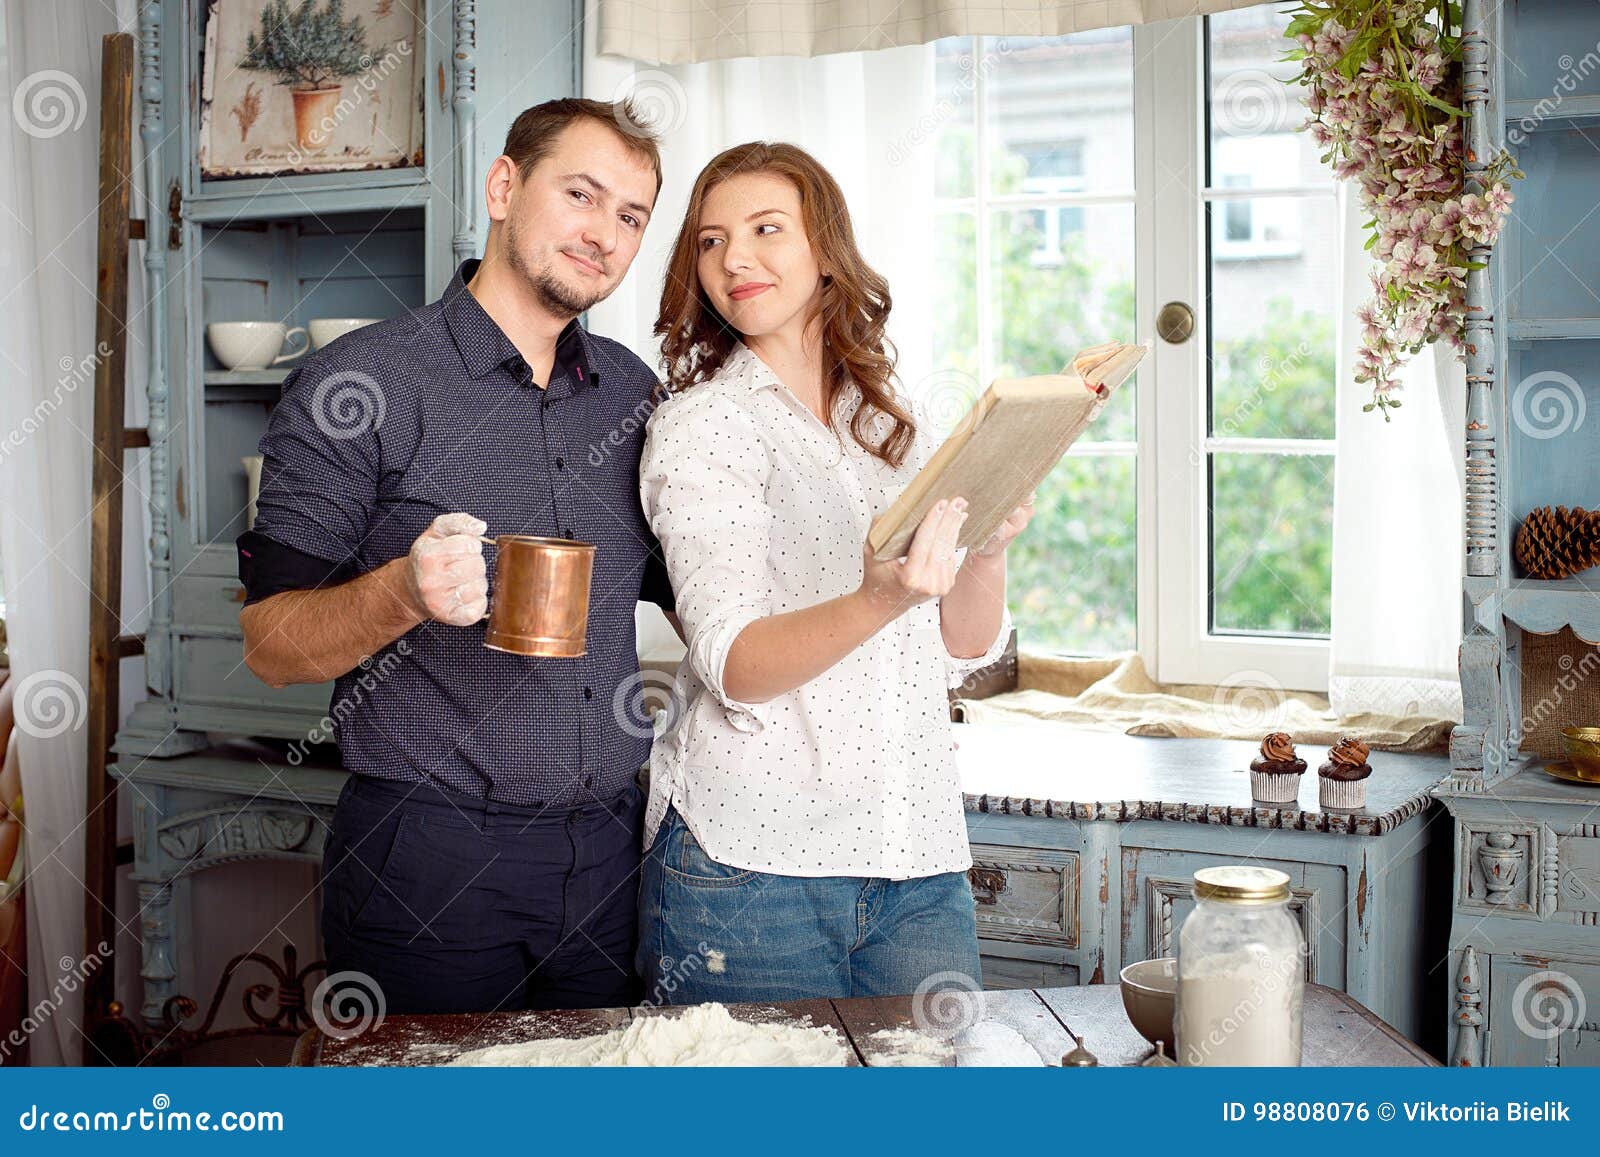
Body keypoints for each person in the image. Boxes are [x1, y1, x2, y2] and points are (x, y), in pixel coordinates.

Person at [238, 99, 676, 1014]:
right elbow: (272, 645)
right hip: (428, 859)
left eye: (631, 216)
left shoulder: (636, 397)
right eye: (581, 195)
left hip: (607, 858)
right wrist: (402, 589)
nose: (603, 233)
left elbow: (708, 596)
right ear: (505, 186)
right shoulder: (360, 384)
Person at [635, 142, 1034, 1004]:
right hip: (752, 870)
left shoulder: (895, 423)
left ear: (827, 252)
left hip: (918, 860)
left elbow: (962, 642)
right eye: (709, 241)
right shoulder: (702, 428)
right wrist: (876, 598)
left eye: (765, 229)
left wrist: (989, 547)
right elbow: (734, 662)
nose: (734, 257)